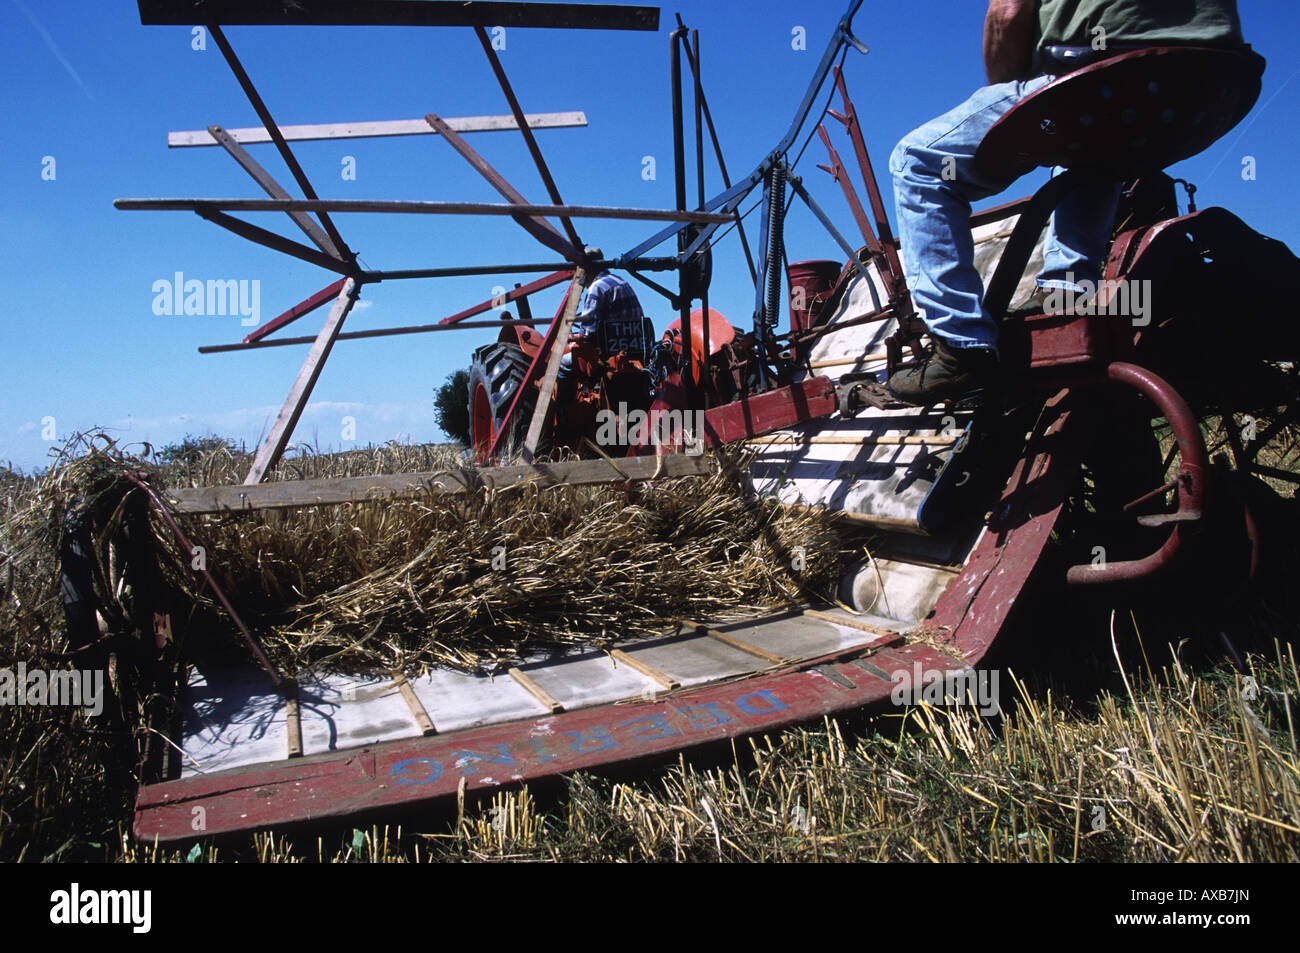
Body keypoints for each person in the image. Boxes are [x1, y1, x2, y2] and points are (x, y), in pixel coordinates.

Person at [886, 0, 1245, 404]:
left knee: (918, 161)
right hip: (1214, 86)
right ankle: (1068, 287)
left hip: (1112, 75)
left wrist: (1010, 90)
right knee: (1092, 145)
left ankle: (961, 346)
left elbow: (1007, 12)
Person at [556, 250, 650, 403]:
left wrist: (571, 337)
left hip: (610, 353)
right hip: (636, 349)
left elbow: (588, 334)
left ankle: (563, 415)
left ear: (586, 268)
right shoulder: (620, 281)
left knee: (562, 365)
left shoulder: (596, 288)